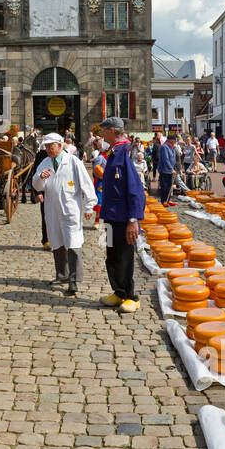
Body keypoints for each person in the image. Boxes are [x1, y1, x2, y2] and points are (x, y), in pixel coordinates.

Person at [33, 132, 96, 296]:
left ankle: (73, 279)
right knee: (56, 241)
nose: (48, 149)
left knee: (73, 242)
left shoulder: (73, 162)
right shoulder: (45, 163)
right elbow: (36, 184)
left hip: (70, 209)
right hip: (52, 208)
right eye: (46, 146)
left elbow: (87, 184)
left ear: (60, 146)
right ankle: (62, 275)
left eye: (51, 146)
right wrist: (40, 177)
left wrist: (90, 206)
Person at [96, 117, 145, 313]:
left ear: (112, 131)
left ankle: (130, 295)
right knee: (111, 254)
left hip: (124, 218)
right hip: (110, 215)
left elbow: (135, 189)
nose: (102, 134)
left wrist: (133, 220)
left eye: (104, 130)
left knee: (124, 257)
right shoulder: (114, 152)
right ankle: (118, 291)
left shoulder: (126, 152)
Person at [156, 129, 179, 204]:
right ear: (170, 140)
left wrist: (174, 168)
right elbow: (166, 159)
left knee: (169, 186)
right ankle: (164, 201)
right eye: (174, 141)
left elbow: (173, 158)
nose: (175, 142)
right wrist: (171, 169)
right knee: (164, 186)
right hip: (164, 170)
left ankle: (168, 200)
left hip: (170, 170)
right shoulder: (164, 147)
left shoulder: (172, 147)